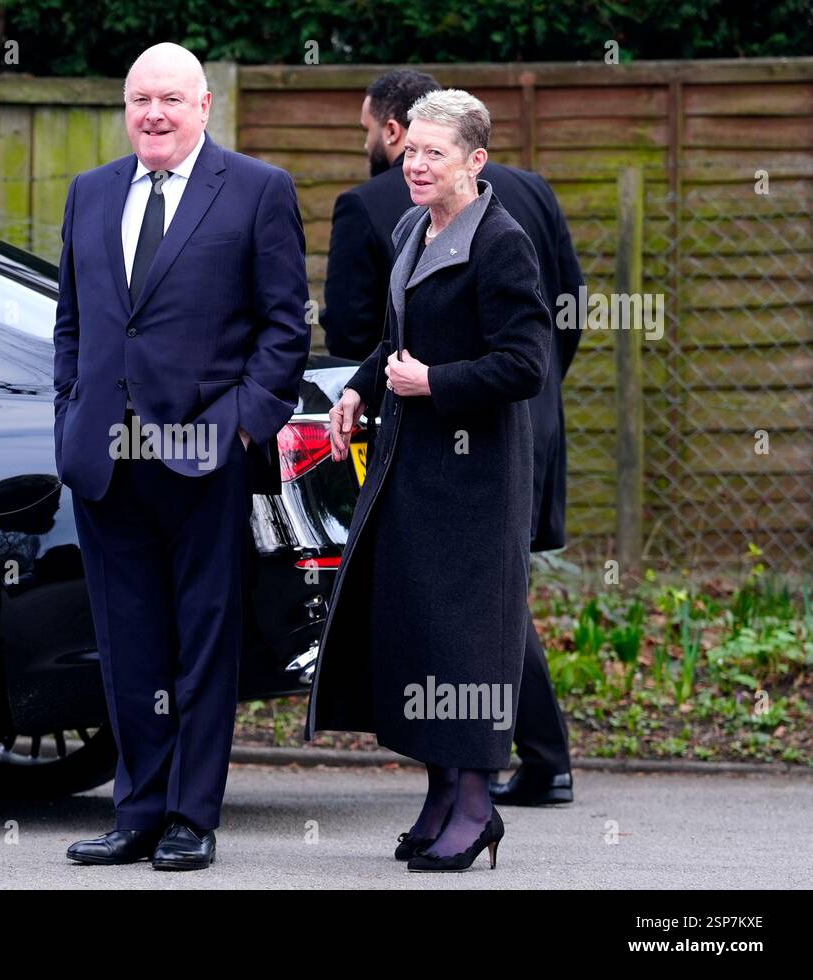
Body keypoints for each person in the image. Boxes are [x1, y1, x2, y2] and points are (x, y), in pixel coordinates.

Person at [53, 42, 310, 870]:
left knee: (203, 645)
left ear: (205, 106)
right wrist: (69, 415)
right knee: (128, 646)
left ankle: (192, 817)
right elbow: (74, 323)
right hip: (105, 462)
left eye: (170, 98)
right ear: (124, 108)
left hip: (205, 457)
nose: (153, 114)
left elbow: (284, 329)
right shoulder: (90, 193)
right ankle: (137, 811)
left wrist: (240, 426)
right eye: (139, 99)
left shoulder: (258, 190)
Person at [305, 89, 551, 871]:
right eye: (409, 149)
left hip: (477, 485)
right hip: (410, 469)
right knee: (419, 635)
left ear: (474, 163)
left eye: (432, 154)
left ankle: (477, 806)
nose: (413, 164)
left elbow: (526, 364)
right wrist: (359, 389)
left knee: (467, 643)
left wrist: (434, 384)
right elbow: (394, 340)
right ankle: (442, 794)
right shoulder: (413, 226)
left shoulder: (502, 243)